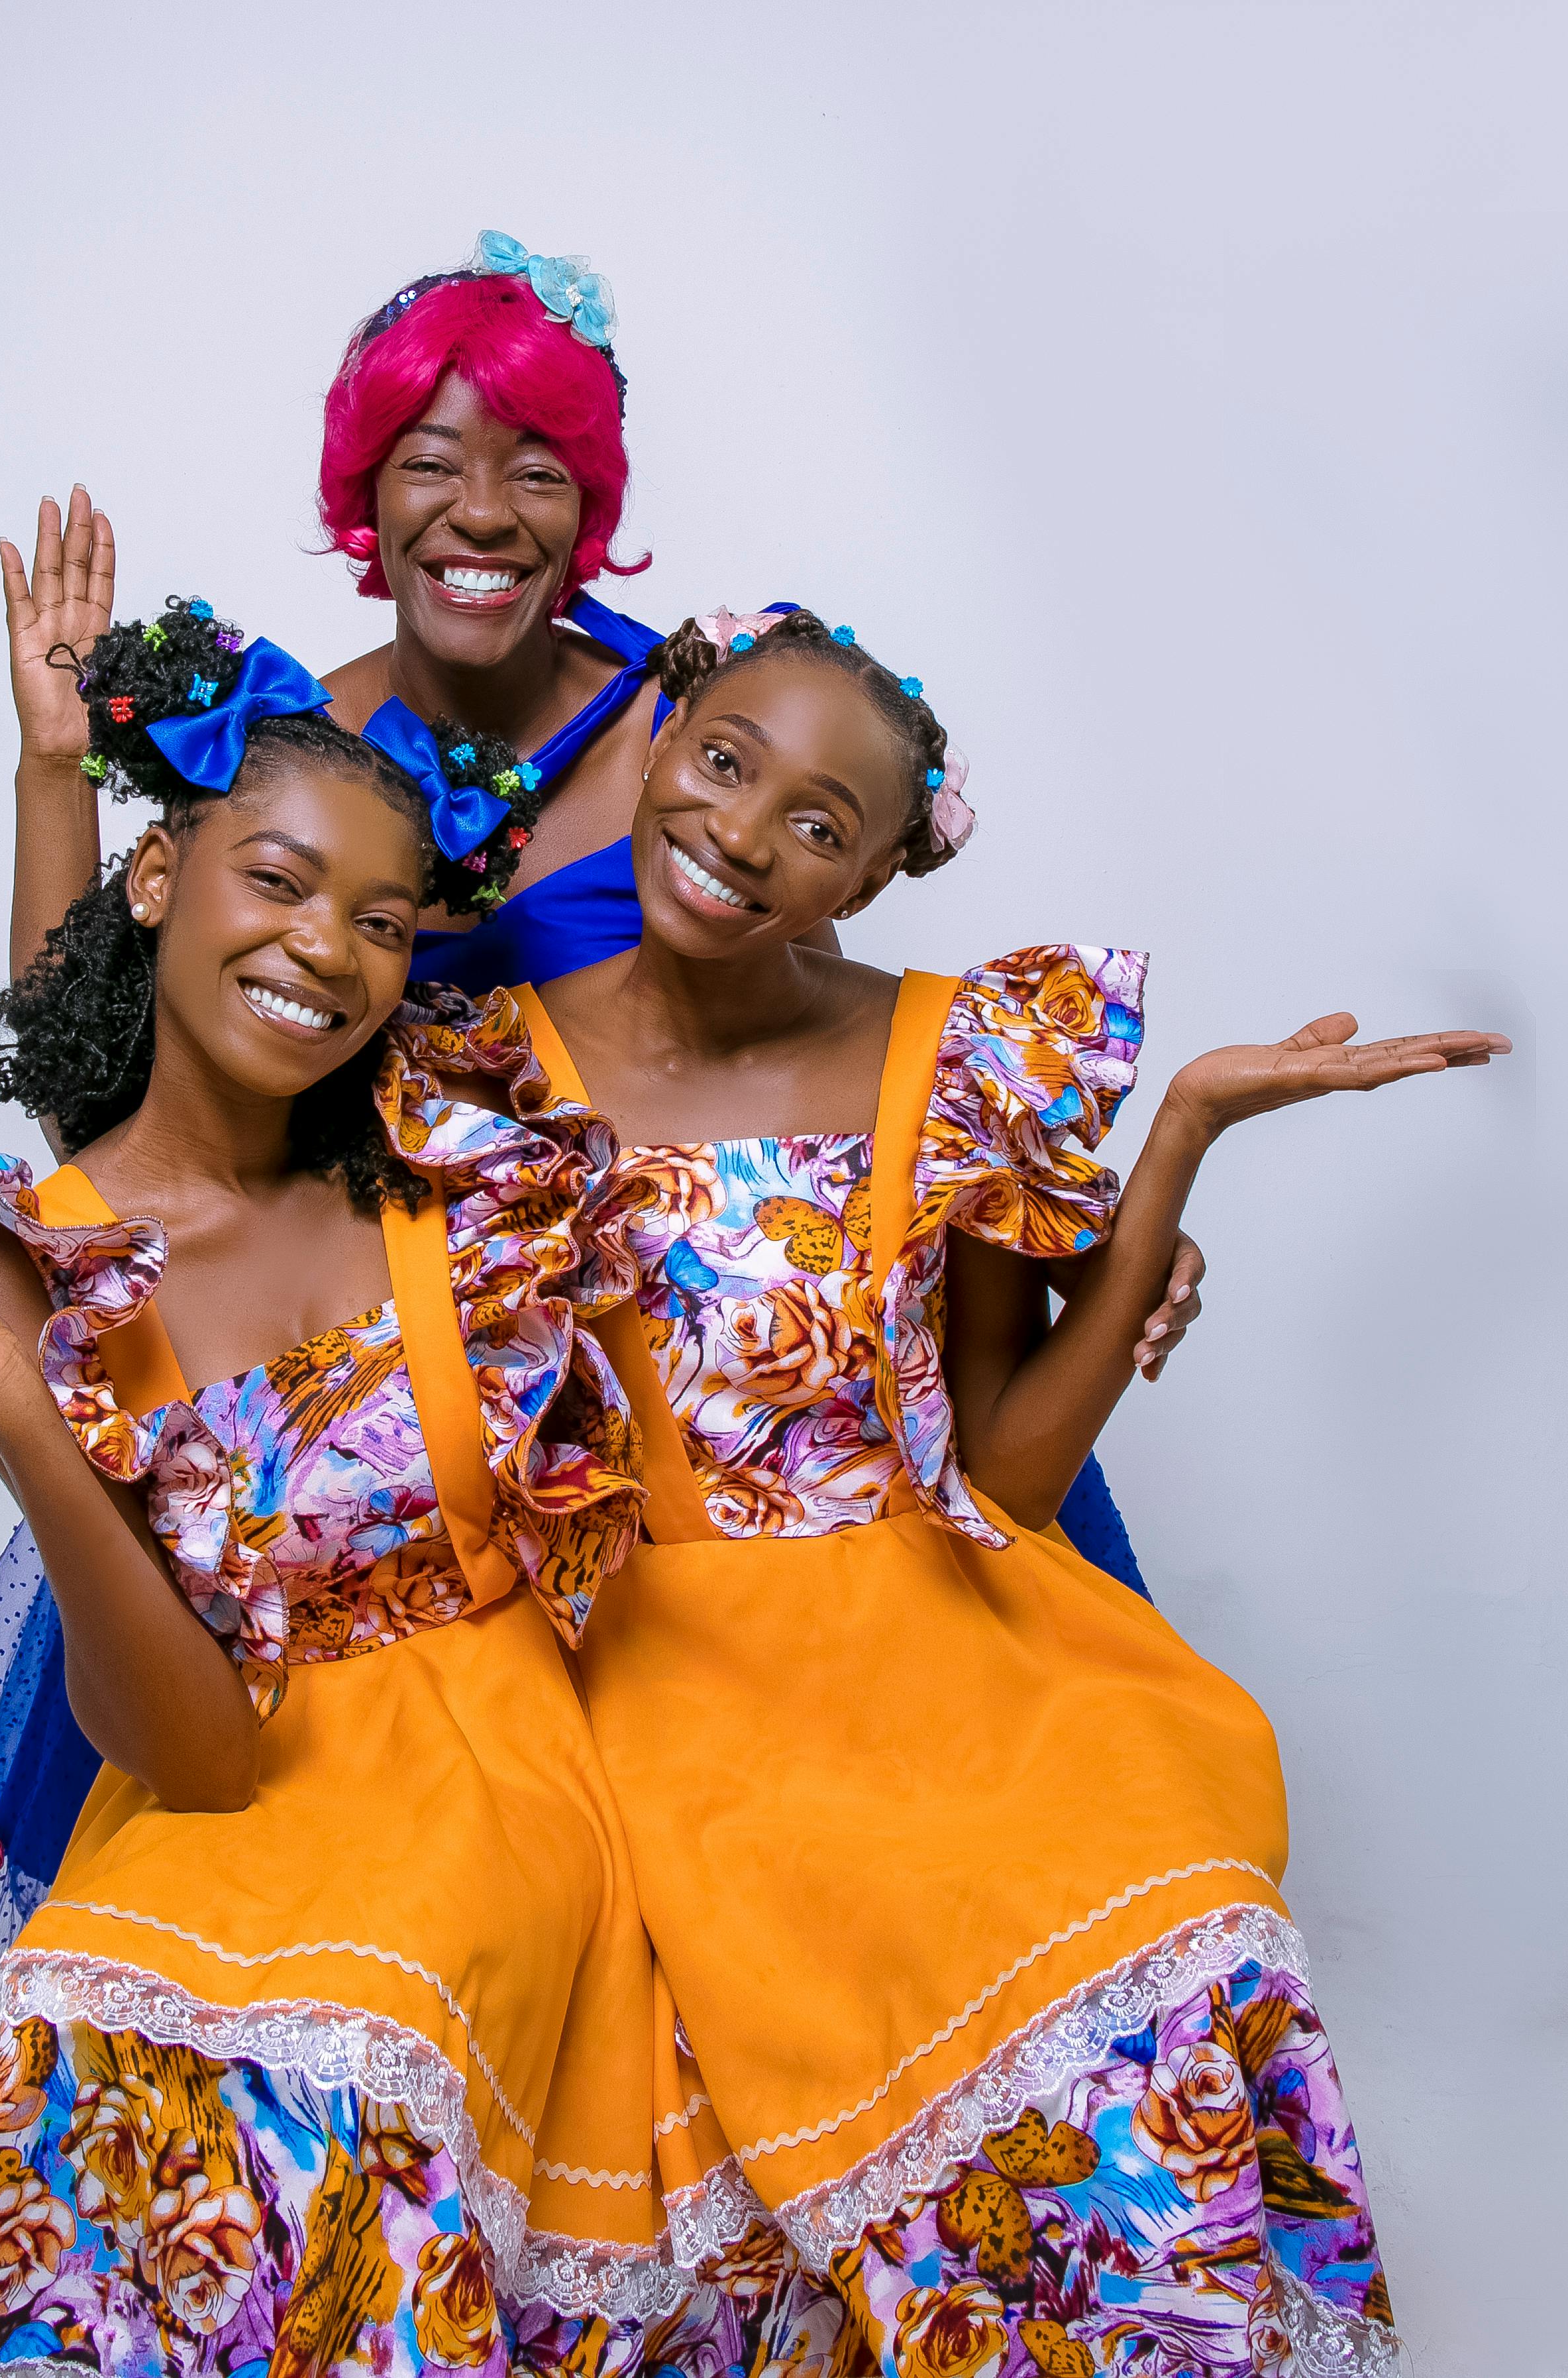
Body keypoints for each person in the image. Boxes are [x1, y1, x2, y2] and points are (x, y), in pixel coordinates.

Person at [0, 602, 689, 2374]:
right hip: (222, 1794)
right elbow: (202, 1756)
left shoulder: (446, 1175)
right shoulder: (29, 1274)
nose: (331, 947)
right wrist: (10, 1402)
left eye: (383, 922)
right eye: (283, 883)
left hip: (498, 1773)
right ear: (159, 879)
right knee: (67, 2053)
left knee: (337, 2072)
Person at [509, 604, 1508, 2375]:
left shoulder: (958, 1056)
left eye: (822, 821)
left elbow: (1011, 1475)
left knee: (1141, 1852)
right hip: (644, 1661)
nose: (745, 830)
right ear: (656, 745)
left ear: (883, 876)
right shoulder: (482, 1076)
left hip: (929, 1636)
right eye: (725, 760)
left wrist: (1178, 1137)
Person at [0, 234, 1195, 1597]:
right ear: (369, 493)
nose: (484, 511)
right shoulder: (296, 766)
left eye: (539, 471)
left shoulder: (705, 753)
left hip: (701, 1405)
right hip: (420, 1400)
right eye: (432, 462)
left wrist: (1075, 1238)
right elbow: (99, 1109)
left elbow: (830, 1091)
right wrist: (55, 772)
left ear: (590, 509)